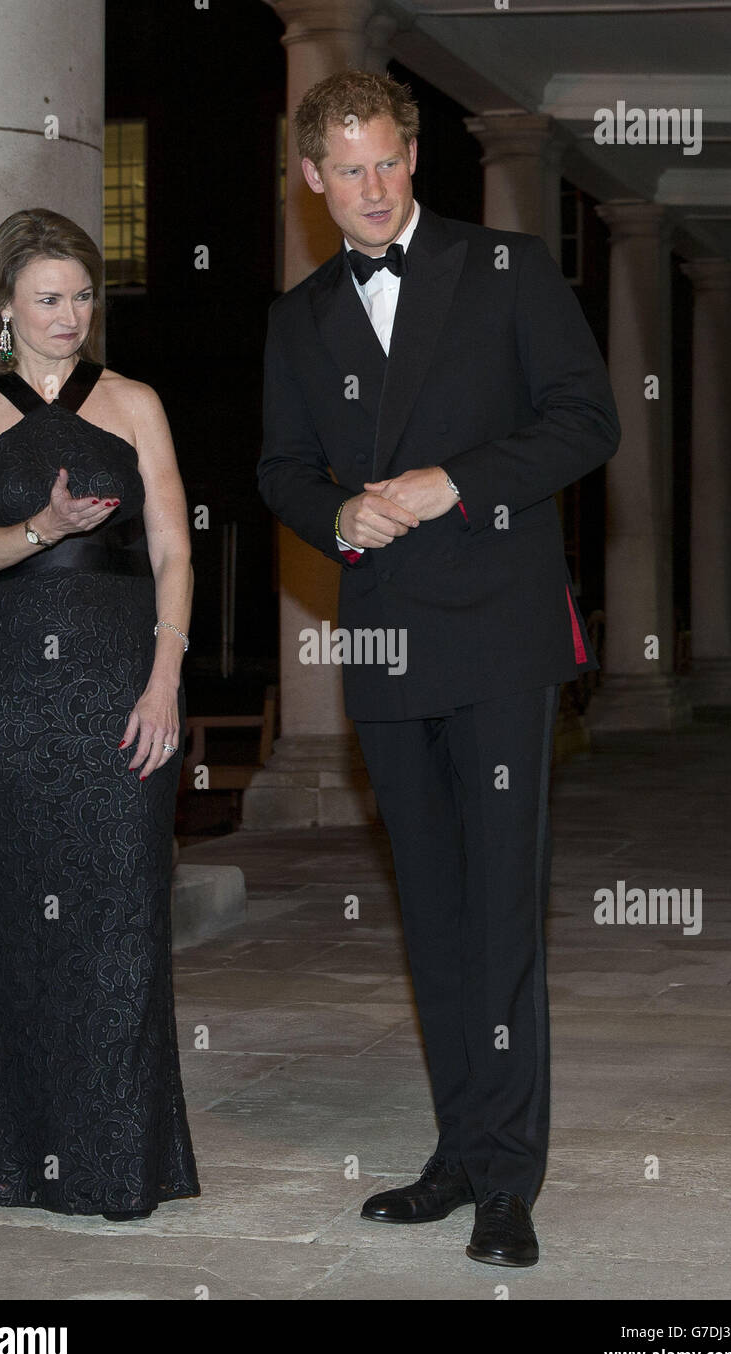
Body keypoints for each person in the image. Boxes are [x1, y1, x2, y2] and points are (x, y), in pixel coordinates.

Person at [257, 71, 620, 1266]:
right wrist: (337, 514)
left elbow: (587, 418)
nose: (372, 189)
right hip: (387, 642)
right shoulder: (299, 316)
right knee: (434, 910)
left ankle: (509, 1177)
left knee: (502, 909)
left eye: (388, 162)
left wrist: (454, 482)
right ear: (312, 178)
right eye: (347, 170)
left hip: (502, 633)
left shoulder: (507, 267)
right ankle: (460, 1149)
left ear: (413, 157)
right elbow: (280, 468)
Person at [0, 208, 199, 1221]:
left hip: (125, 675)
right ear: (4, 307)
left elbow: (174, 549)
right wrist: (41, 525)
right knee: (22, 915)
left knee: (124, 908)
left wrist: (166, 677)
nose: (69, 316)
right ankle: (13, 1155)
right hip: (11, 687)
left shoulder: (134, 403)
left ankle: (120, 1159)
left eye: (83, 296)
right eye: (48, 298)